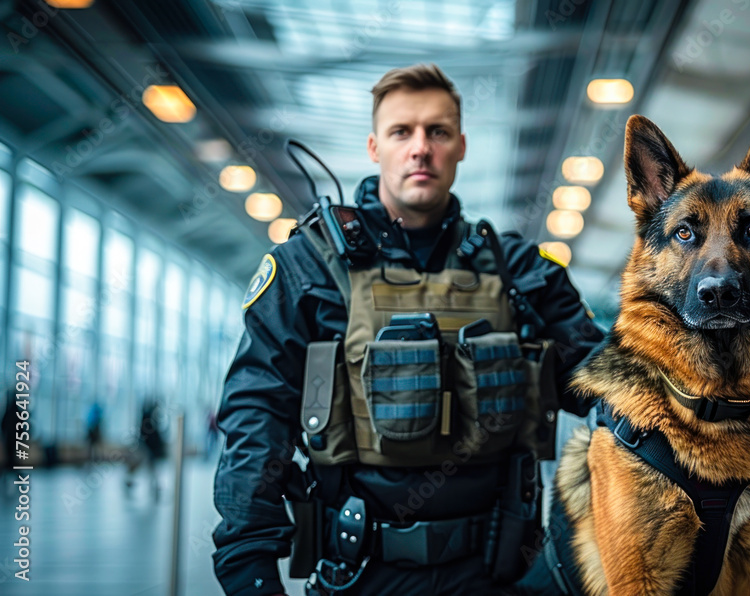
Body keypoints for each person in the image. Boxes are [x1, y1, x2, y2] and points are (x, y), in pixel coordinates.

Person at [212, 63, 602, 596]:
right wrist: (249, 565)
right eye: (402, 132)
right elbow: (257, 417)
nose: (421, 148)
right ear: (375, 147)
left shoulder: (520, 273)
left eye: (438, 132)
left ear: (461, 145)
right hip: (358, 574)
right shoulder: (308, 269)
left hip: (498, 573)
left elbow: (612, 388)